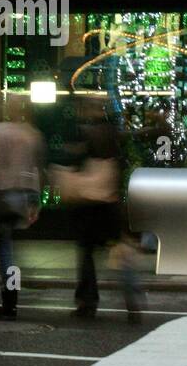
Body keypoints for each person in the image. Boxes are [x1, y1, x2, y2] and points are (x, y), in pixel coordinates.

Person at [54, 121, 144, 321]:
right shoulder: (115, 159)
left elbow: (75, 184)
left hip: (88, 214)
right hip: (109, 213)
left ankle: (87, 302)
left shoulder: (87, 158)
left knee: (87, 258)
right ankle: (132, 296)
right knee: (121, 257)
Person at [0, 97, 44, 320]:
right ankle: (11, 294)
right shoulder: (32, 133)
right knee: (10, 248)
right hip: (25, 194)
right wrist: (36, 201)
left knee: (4, 250)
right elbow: (37, 168)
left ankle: (10, 298)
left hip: (4, 194)